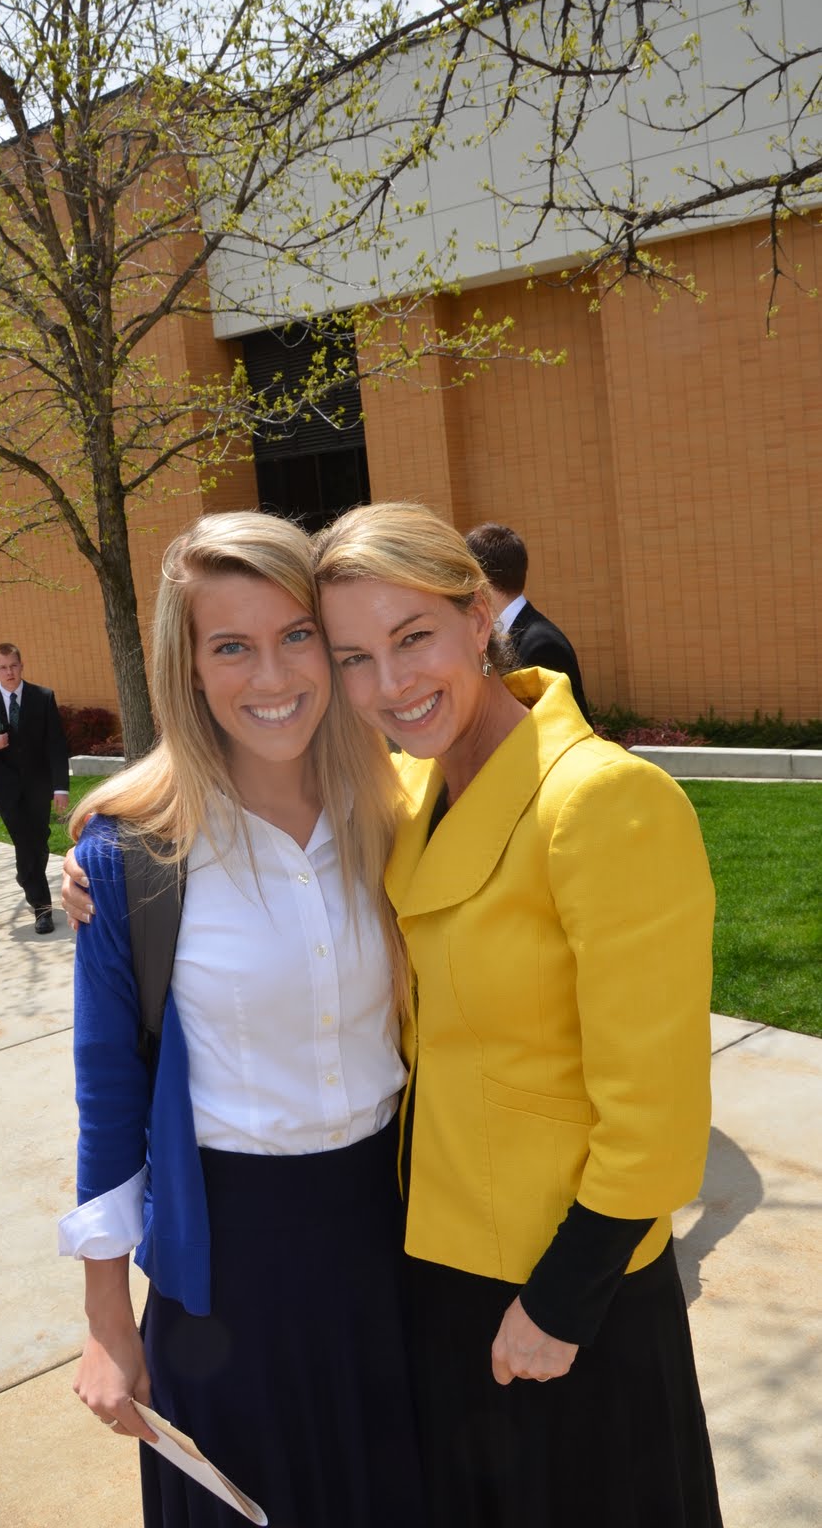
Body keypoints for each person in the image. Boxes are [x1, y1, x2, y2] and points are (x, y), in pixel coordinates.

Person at [311, 502, 722, 1528]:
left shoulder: (603, 800)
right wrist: (104, 845)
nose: (391, 684)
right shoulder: (412, 785)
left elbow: (655, 1111)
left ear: (479, 613)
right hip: (438, 1261)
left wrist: (558, 1304)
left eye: (413, 638)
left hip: (562, 1292)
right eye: (354, 657)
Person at [57, 512, 423, 1528]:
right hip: (227, 1269)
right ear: (190, 665)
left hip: (395, 1241)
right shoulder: (129, 864)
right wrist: (103, 1323)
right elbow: (108, 1108)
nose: (272, 674)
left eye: (295, 634)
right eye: (232, 645)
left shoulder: (396, 820)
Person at [0, 643, 69, 934]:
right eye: (3, 667)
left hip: (39, 786)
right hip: (5, 790)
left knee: (39, 841)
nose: (9, 672)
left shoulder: (43, 697)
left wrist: (61, 788)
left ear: (22, 665)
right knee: (24, 842)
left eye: (14, 665)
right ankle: (42, 909)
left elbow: (56, 744)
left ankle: (25, 875)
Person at [465, 521, 593, 724]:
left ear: (481, 580)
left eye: (465, 575)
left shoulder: (542, 645)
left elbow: (565, 725)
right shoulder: (491, 639)